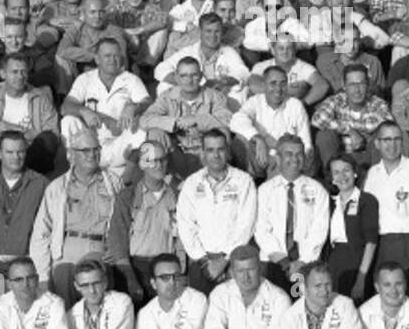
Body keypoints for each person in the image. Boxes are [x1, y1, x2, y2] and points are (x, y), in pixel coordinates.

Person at [30, 128, 119, 303]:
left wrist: (117, 248)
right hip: (66, 251)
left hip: (100, 249)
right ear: (72, 154)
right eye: (85, 150)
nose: (92, 155)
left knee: (98, 306)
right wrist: (42, 275)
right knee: (64, 308)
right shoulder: (57, 187)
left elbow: (123, 222)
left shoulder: (114, 182)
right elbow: (42, 232)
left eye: (96, 149)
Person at [175, 128, 258, 293]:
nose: (216, 155)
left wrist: (225, 259)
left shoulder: (244, 181)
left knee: (235, 315)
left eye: (220, 149)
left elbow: (246, 224)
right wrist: (204, 261)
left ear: (227, 151)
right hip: (200, 264)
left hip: (234, 263)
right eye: (210, 150)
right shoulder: (191, 183)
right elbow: (185, 224)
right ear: (203, 153)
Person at [363, 123, 409, 300]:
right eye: (386, 139)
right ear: (377, 143)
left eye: (396, 139)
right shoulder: (372, 174)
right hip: (382, 246)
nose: (392, 144)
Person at [61, 35, 150, 173]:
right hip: (91, 145)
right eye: (107, 56)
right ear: (97, 59)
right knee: (68, 121)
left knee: (143, 125)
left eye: (116, 56)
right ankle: (76, 168)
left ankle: (128, 173)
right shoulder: (85, 79)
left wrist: (134, 107)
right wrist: (84, 111)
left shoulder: (131, 79)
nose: (113, 60)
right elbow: (66, 106)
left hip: (120, 143)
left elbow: (148, 102)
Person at [107, 142, 182, 302]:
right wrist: (130, 278)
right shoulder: (127, 196)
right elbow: (118, 242)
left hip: (167, 267)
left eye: (162, 159)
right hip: (136, 267)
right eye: (152, 160)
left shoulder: (178, 196)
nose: (159, 165)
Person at [0, 52, 60, 176]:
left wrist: (14, 129)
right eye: (14, 72)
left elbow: (53, 134)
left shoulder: (40, 98)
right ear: (3, 74)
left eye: (23, 72)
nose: (20, 77)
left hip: (28, 153)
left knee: (48, 139)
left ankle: (30, 178)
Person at [254, 136, 331, 290]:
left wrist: (302, 262)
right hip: (273, 261)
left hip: (306, 263)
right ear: (278, 158)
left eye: (299, 154)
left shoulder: (318, 190)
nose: (295, 159)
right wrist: (283, 261)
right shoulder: (265, 190)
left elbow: (319, 228)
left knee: (302, 308)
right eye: (289, 154)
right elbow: (261, 229)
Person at [0, 131, 49, 297]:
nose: (16, 157)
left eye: (20, 151)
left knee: (25, 310)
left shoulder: (41, 184)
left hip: (27, 265)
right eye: (9, 152)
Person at [141, 56, 236, 177]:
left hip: (205, 153)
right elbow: (144, 120)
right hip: (176, 153)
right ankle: (153, 182)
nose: (189, 80)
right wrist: (173, 123)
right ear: (176, 77)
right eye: (184, 76)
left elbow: (228, 120)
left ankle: (222, 177)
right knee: (154, 133)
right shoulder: (167, 97)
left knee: (223, 131)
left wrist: (197, 120)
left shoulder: (214, 96)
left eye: (194, 75)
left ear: (201, 76)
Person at [230, 66, 314, 178]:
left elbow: (306, 145)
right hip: (259, 158)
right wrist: (258, 138)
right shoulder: (255, 101)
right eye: (273, 83)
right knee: (240, 139)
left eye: (283, 83)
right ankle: (247, 182)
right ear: (264, 85)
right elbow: (236, 120)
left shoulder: (295, 105)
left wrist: (279, 156)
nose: (278, 89)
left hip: (283, 161)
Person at [310, 63, 393, 170]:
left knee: (380, 137)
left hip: (368, 158)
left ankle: (376, 179)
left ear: (368, 84)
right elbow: (317, 120)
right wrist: (350, 131)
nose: (357, 90)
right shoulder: (336, 100)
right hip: (340, 157)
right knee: (324, 136)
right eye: (352, 84)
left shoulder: (378, 103)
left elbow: (389, 128)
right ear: (344, 85)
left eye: (361, 83)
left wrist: (362, 137)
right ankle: (332, 178)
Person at [325, 155, 380, 300]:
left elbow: (371, 243)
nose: (342, 176)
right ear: (331, 177)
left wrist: (361, 278)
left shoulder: (366, 200)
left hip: (357, 264)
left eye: (346, 170)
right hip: (333, 263)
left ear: (355, 172)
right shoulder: (328, 203)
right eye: (336, 172)